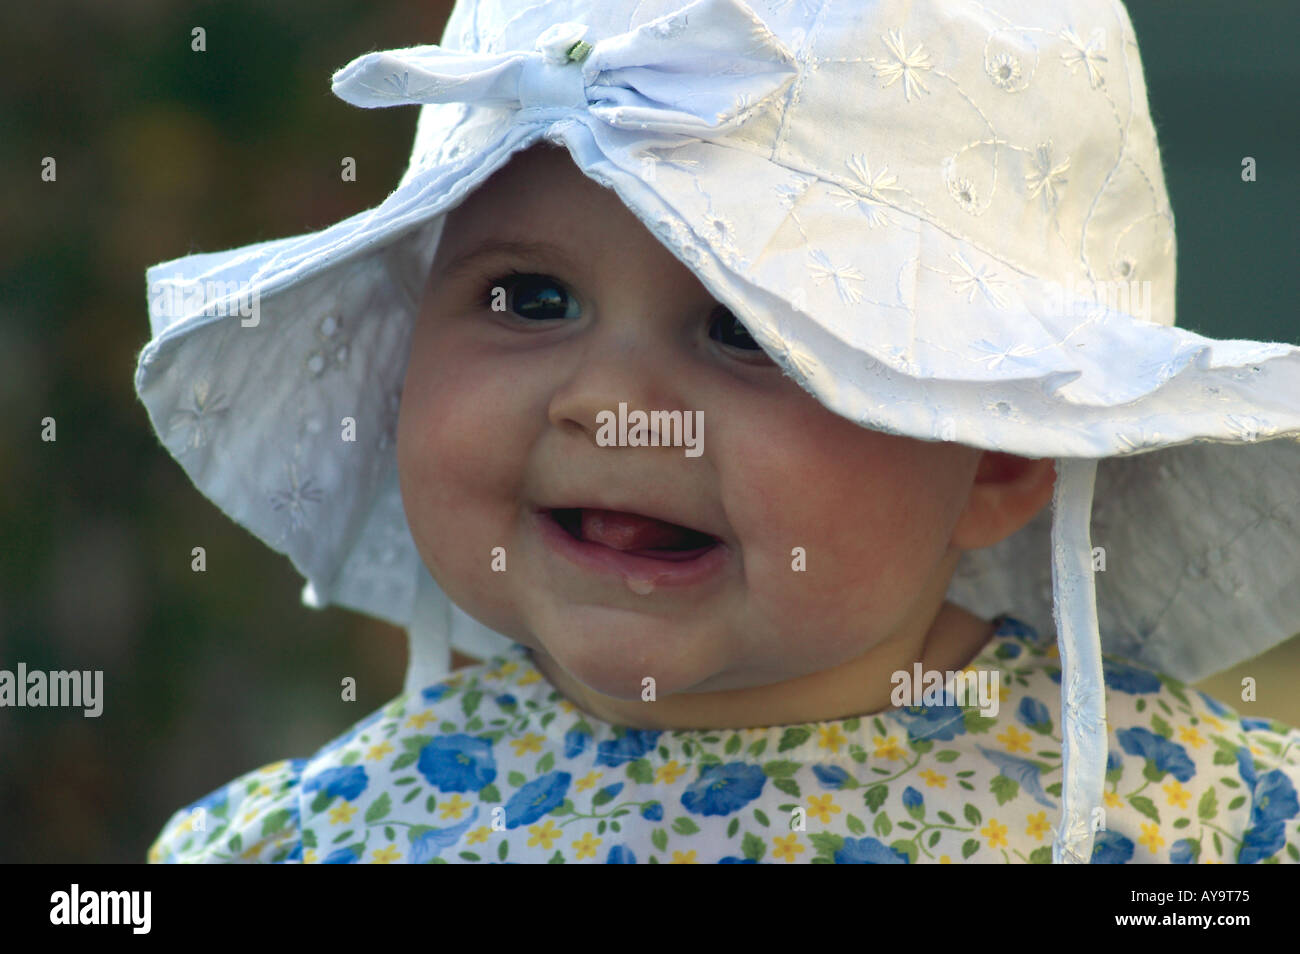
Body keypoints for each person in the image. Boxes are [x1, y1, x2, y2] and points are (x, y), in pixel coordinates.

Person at [139, 0, 1300, 863]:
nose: (610, 405)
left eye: (745, 332)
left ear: (998, 447)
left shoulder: (1198, 829)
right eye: (530, 299)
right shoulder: (305, 843)